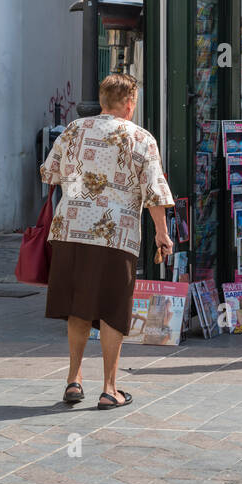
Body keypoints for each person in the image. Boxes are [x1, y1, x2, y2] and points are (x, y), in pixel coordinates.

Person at [39, 73, 173, 409]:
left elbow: (48, 173)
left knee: (78, 306)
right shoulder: (141, 138)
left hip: (70, 230)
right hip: (116, 234)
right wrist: (162, 232)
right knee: (114, 310)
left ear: (102, 101)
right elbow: (154, 193)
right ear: (130, 103)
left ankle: (73, 379)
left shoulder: (73, 130)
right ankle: (109, 388)